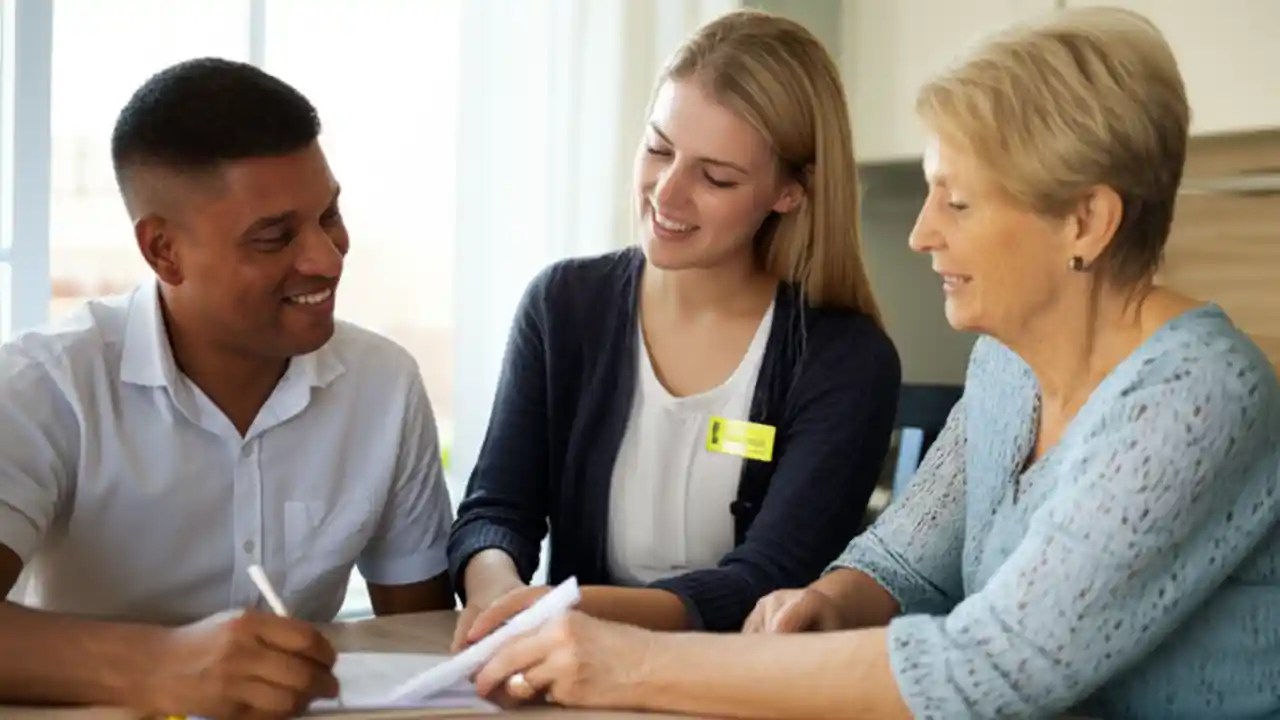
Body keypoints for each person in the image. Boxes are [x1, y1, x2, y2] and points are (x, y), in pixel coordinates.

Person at [470, 7, 1280, 718]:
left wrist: (628, 662)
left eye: (956, 201)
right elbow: (899, 561)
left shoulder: (1198, 393)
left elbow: (991, 667)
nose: (921, 232)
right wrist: (827, 602)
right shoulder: (1009, 363)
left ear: (1086, 222)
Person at [0, 59, 455, 719]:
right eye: (274, 238)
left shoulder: (384, 385)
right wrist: (161, 667)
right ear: (163, 252)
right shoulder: (46, 387)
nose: (328, 258)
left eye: (329, 214)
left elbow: (424, 648)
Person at [448, 9, 900, 647]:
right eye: (659, 149)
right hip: (579, 673)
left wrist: (568, 610)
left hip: (745, 690)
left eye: (715, 176)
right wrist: (500, 595)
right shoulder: (563, 306)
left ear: (790, 193)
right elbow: (496, 511)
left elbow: (769, 580)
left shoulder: (844, 359)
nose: (667, 193)